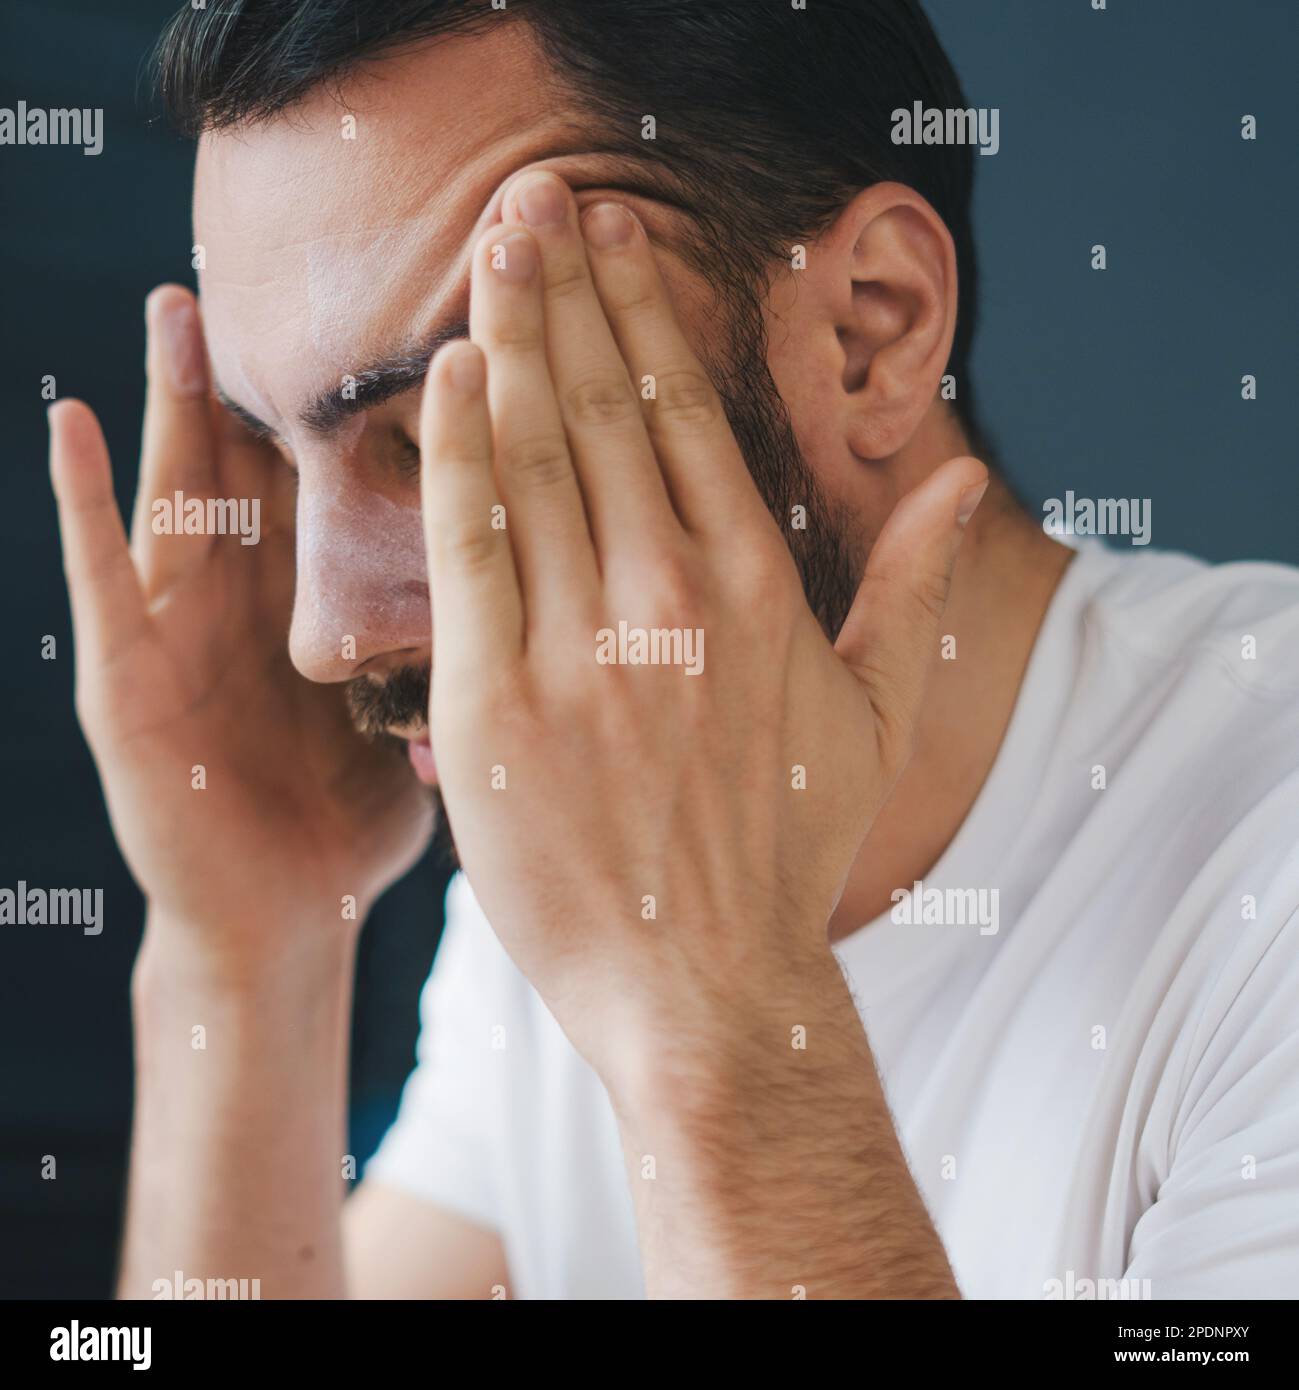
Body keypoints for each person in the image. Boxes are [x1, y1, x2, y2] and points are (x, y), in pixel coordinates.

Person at [48, 0, 1299, 1300]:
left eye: (432, 439)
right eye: (272, 453)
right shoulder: (569, 816)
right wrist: (252, 952)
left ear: (871, 331)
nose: (326, 634)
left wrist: (718, 1011)